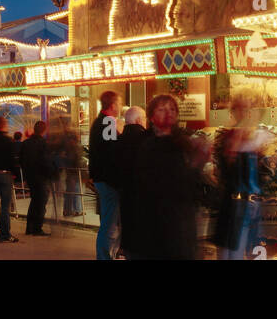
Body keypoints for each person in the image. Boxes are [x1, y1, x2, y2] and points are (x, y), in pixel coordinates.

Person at [127, 94, 208, 260]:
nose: (168, 113)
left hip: (180, 223)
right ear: (151, 116)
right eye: (162, 109)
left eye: (172, 109)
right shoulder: (146, 146)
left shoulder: (183, 144)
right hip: (156, 223)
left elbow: (189, 183)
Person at [214, 92, 266, 260]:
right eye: (241, 108)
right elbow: (225, 166)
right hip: (233, 202)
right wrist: (238, 141)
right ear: (234, 111)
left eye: (248, 108)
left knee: (244, 250)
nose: (245, 113)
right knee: (228, 253)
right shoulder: (227, 136)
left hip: (250, 203)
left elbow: (258, 172)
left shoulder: (252, 138)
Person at [88, 90, 123, 260]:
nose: (121, 106)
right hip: (109, 180)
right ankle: (104, 256)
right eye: (119, 103)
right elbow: (112, 153)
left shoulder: (99, 122)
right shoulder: (108, 123)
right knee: (109, 222)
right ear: (113, 105)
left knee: (109, 220)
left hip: (102, 178)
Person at [113, 106, 147, 257]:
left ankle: (125, 249)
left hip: (123, 190)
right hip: (142, 193)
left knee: (126, 222)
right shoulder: (146, 139)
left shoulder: (117, 140)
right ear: (139, 120)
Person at [20, 120, 53, 236]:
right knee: (41, 202)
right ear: (44, 130)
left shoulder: (26, 143)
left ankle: (30, 227)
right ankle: (37, 227)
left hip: (30, 176)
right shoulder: (44, 144)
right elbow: (46, 161)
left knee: (34, 201)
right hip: (41, 177)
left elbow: (21, 160)